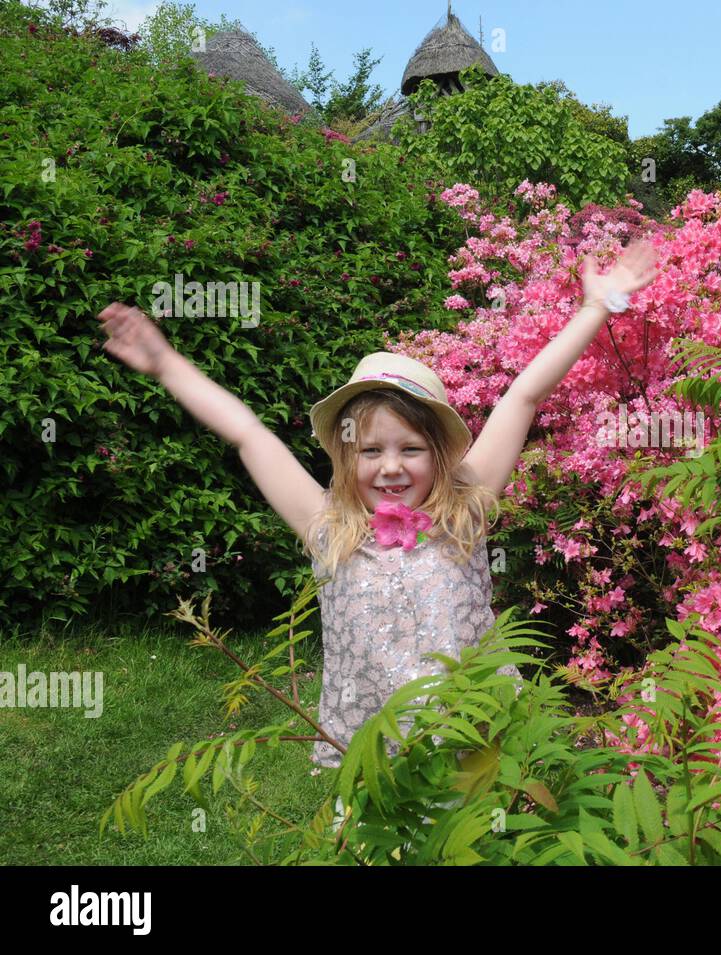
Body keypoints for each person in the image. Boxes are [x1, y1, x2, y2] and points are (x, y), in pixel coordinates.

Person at [96, 238, 659, 795]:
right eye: (370, 451)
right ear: (347, 457)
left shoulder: (465, 510)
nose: (390, 467)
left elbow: (522, 398)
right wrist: (166, 364)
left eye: (410, 449)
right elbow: (248, 434)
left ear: (439, 453)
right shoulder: (328, 528)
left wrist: (595, 308)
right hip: (374, 761)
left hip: (475, 743)